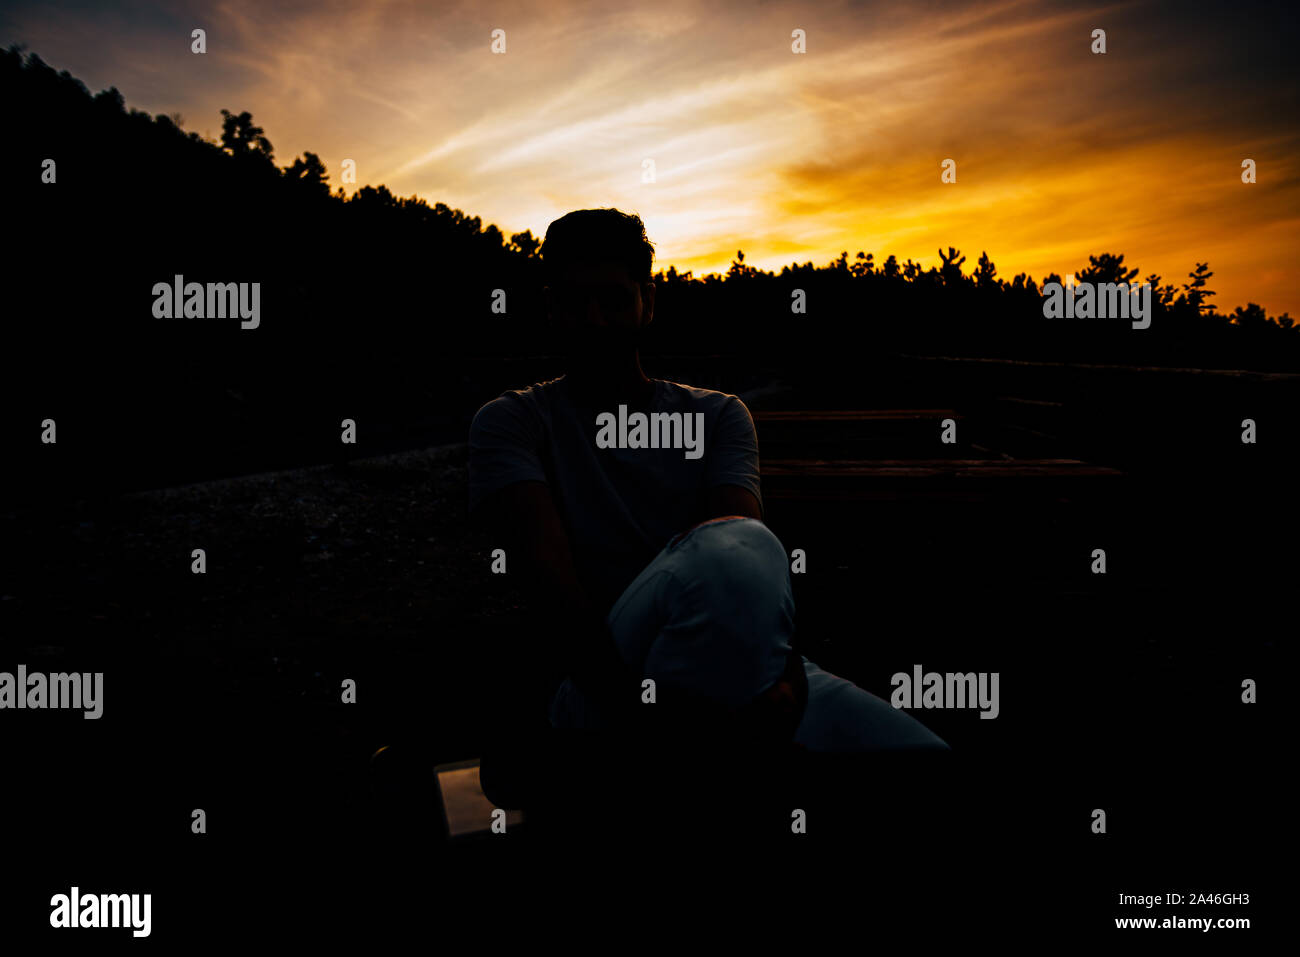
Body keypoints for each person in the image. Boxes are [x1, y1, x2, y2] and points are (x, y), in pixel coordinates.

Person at [468, 208, 947, 774]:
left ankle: (730, 736)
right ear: (551, 308)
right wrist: (648, 715)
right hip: (601, 678)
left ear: (649, 301)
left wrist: (783, 676)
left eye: (614, 300)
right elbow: (553, 589)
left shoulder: (719, 416)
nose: (595, 320)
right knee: (727, 557)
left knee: (925, 760)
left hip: (743, 657)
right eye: (575, 303)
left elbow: (742, 563)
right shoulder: (513, 421)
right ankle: (700, 754)